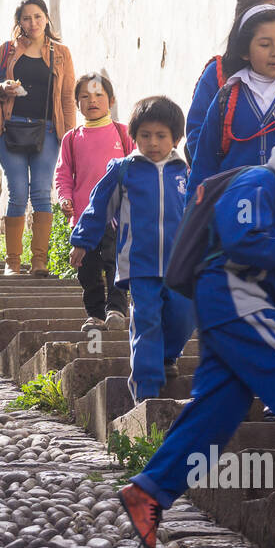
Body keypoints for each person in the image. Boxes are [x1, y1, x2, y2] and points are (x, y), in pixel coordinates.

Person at [118, 92, 275, 548]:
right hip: (233, 296)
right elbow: (241, 240)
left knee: (217, 411)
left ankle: (150, 489)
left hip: (251, 300)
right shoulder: (257, 184)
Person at [69, 97, 195, 402]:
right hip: (140, 265)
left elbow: (199, 216)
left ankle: (166, 357)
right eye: (145, 136)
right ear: (134, 137)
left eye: (161, 136)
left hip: (180, 266)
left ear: (175, 139)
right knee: (147, 321)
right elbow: (98, 207)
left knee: (184, 316)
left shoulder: (185, 173)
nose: (153, 142)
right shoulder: (124, 170)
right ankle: (147, 392)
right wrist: (82, 241)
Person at [0, 0, 78, 276]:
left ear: (46, 18)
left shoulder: (61, 53)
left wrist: (68, 139)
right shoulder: (8, 50)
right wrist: (3, 88)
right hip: (10, 128)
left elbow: (68, 99)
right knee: (18, 192)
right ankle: (12, 263)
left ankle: (39, 262)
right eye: (26, 18)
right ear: (19, 22)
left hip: (47, 130)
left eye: (37, 16)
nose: (32, 23)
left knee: (42, 194)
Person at [187, 3, 275, 197]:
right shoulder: (226, 98)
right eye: (265, 45)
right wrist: (192, 219)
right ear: (244, 51)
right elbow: (203, 165)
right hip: (234, 213)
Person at [55, 72, 135, 331]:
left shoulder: (123, 134)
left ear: (110, 100)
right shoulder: (72, 138)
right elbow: (64, 173)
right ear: (77, 103)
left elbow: (136, 168)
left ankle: (116, 309)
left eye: (99, 95)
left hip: (117, 213)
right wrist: (65, 197)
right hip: (83, 218)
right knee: (86, 268)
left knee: (115, 261)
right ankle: (95, 314)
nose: (92, 101)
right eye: (85, 97)